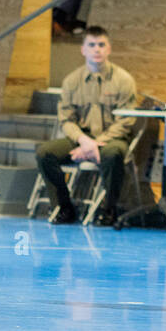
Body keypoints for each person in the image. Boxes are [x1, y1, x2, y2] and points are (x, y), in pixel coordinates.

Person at [34, 26, 139, 224]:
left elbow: (126, 121)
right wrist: (84, 141)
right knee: (44, 153)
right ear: (83, 49)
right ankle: (64, 208)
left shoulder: (124, 80)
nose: (96, 49)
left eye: (101, 45)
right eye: (91, 45)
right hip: (80, 139)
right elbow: (66, 119)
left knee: (114, 154)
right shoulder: (71, 81)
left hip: (111, 140)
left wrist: (95, 144)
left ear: (109, 49)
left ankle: (109, 210)